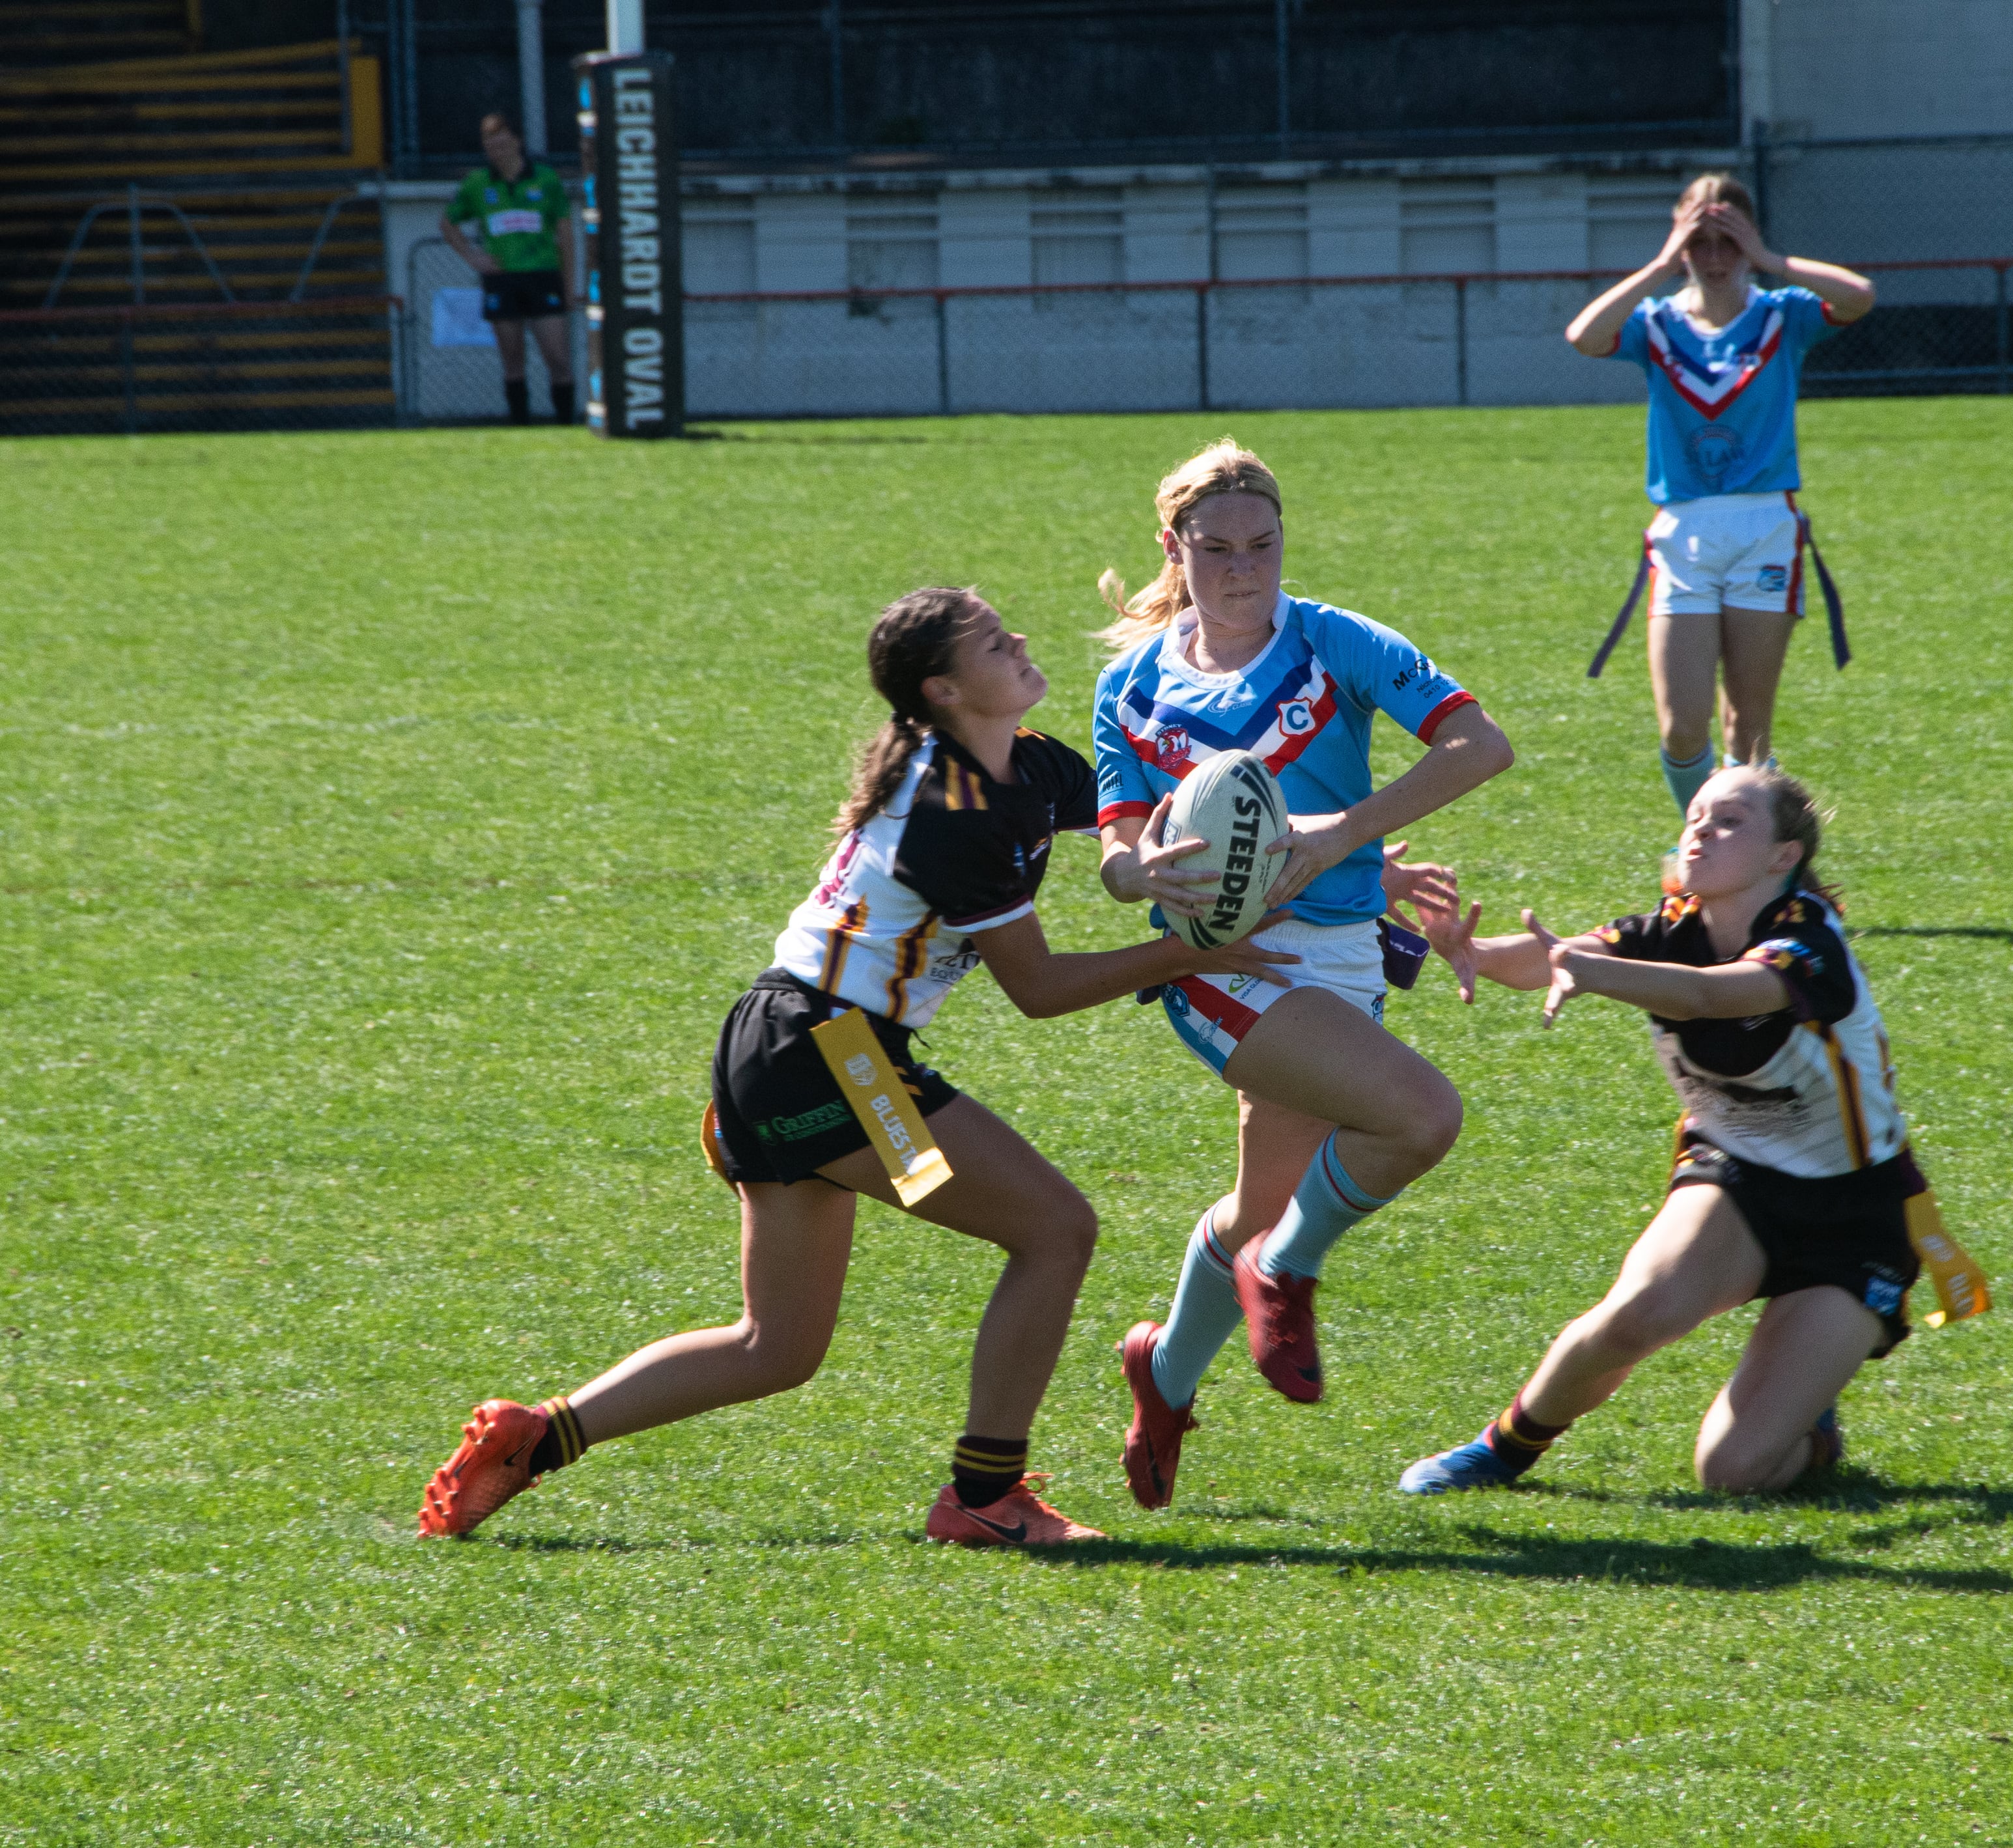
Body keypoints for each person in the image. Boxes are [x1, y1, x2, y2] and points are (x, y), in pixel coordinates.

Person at [418, 587, 1298, 1547]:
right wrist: (1186, 952)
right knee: (1052, 1229)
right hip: (829, 1058)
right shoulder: (948, 810)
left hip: (790, 1051)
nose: (1020, 643)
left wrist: (1320, 856)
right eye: (994, 643)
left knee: (777, 1347)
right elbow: (1038, 988)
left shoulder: (1026, 767)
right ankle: (982, 1497)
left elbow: (1144, 816)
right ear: (944, 689)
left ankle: (533, 1438)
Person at [1091, 438, 1513, 1511]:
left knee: (1262, 1199)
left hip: (1339, 950)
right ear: (1174, 548)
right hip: (1225, 962)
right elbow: (1117, 851)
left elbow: (1478, 745)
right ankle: (1287, 1270)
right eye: (1216, 546)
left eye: (1263, 544)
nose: (1243, 566)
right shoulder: (1130, 688)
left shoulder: (1334, 643)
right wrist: (1140, 868)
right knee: (1417, 1116)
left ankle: (1165, 1376)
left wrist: (1349, 840)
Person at [1400, 765, 1956, 1495]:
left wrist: (1591, 972)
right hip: (1735, 1177)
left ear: (1781, 858)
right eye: (1696, 816)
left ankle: (1810, 1429)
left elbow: (1707, 997)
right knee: (1633, 1317)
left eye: (1728, 822)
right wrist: (1471, 953)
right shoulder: (1672, 926)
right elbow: (1559, 955)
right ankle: (1501, 1452)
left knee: (1731, 1474)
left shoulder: (1809, 940)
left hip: (1857, 1219)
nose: (1700, 830)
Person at [1566, 173, 1874, 826]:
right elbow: (1584, 337)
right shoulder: (1655, 323)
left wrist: (1767, 259)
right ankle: (1704, 838)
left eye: (1725, 243)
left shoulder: (1781, 312)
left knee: (1747, 731)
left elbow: (1858, 298)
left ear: (1748, 240)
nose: (1712, 258)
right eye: (1697, 242)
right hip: (1683, 531)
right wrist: (1655, 264)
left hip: (1765, 527)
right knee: (1682, 728)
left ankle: (1743, 863)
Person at [441, 111, 577, 426]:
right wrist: (473, 257)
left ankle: (566, 423)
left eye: (501, 141)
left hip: (543, 276)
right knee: (513, 359)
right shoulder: (478, 183)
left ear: (518, 142)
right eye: (489, 143)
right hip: (503, 280)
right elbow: (448, 223)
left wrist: (569, 286)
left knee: (557, 357)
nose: (496, 149)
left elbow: (566, 235)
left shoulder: (545, 179)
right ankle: (520, 426)